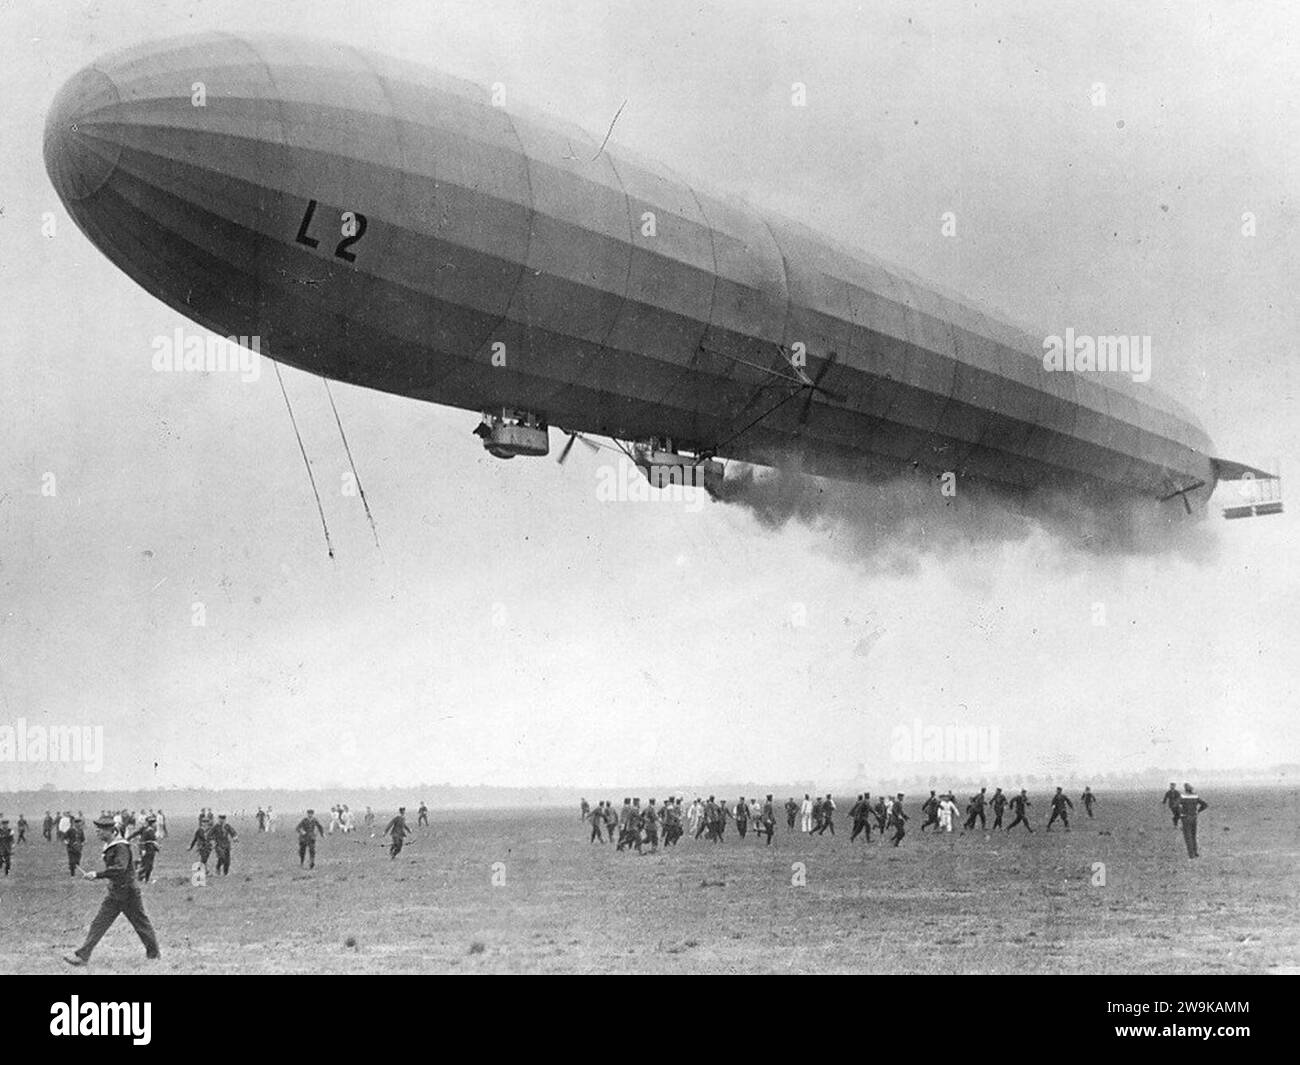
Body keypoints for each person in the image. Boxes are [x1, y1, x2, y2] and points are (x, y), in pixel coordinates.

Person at [64, 816, 160, 966]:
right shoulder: (111, 845)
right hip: (116, 893)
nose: (97, 833)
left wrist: (97, 874)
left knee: (141, 924)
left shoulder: (120, 847)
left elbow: (120, 868)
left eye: (100, 830)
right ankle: (83, 956)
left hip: (128, 893)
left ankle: (154, 955)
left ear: (109, 831)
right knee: (99, 923)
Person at [1177, 784, 1208, 858]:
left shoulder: (1183, 797)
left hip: (1185, 818)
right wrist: (1198, 811)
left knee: (1188, 836)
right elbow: (1205, 805)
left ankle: (1191, 854)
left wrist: (1180, 813)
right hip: (1194, 817)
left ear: (1185, 789)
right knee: (1193, 835)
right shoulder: (1195, 796)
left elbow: (1175, 805)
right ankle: (1195, 852)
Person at [128, 815, 161, 883]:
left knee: (150, 866)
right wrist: (143, 850)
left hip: (151, 850)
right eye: (154, 823)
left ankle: (145, 879)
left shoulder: (149, 829)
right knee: (146, 865)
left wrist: (156, 847)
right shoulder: (147, 830)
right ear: (152, 823)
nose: (156, 824)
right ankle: (138, 877)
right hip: (147, 850)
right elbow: (142, 840)